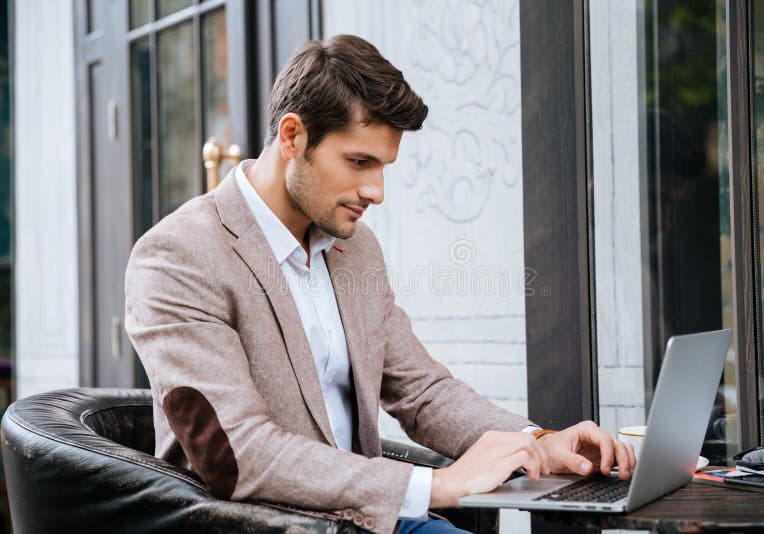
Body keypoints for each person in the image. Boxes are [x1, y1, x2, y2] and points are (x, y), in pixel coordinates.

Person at [124, 34, 635, 534]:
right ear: (292, 136)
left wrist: (536, 442)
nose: (376, 191)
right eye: (359, 162)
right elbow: (238, 453)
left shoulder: (354, 247)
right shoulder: (178, 257)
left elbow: (421, 390)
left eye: (383, 166)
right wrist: (436, 485)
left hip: (372, 519)